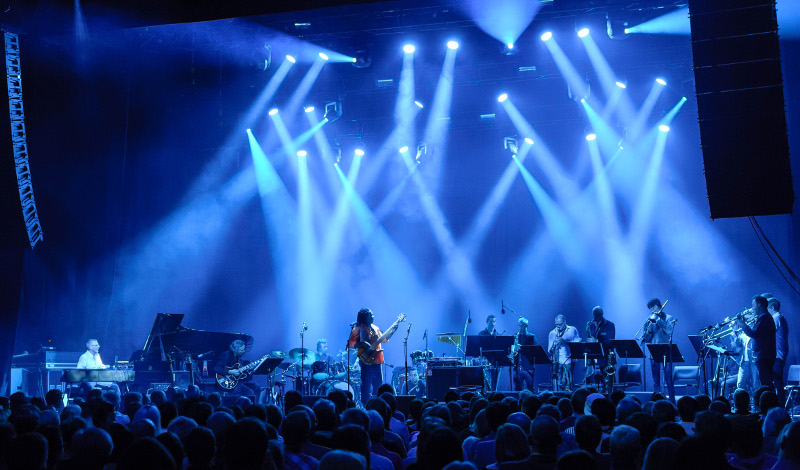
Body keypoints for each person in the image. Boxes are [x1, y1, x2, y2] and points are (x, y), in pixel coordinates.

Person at [348, 308, 400, 406]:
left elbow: (384, 339)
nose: (373, 316)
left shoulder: (375, 328)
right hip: (366, 362)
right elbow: (352, 343)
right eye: (370, 315)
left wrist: (394, 329)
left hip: (377, 361)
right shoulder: (359, 328)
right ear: (364, 317)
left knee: (378, 386)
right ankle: (366, 408)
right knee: (366, 388)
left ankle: (378, 406)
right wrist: (364, 345)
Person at [736, 294, 776, 389]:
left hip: (764, 355)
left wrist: (742, 325)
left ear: (760, 305)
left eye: (753, 305)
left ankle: (769, 402)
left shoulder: (764, 318)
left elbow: (755, 334)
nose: (752, 308)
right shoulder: (764, 317)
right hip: (764, 355)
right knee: (766, 383)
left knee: (766, 384)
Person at [643, 298, 676, 400]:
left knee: (668, 379)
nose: (652, 310)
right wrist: (649, 329)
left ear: (660, 306)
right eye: (650, 308)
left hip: (666, 350)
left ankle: (672, 402)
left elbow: (669, 331)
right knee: (656, 380)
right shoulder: (649, 319)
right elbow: (647, 339)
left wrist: (659, 321)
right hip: (653, 351)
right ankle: (658, 401)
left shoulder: (668, 317)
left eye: (654, 307)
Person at [586, 306, 616, 393]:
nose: (594, 318)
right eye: (593, 315)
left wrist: (597, 340)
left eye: (595, 315)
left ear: (601, 315)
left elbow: (610, 342)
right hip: (593, 358)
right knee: (594, 384)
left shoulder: (610, 325)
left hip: (606, 358)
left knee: (607, 384)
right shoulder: (591, 325)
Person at [548, 315, 581, 391]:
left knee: (568, 382)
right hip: (557, 361)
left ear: (565, 322)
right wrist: (554, 344)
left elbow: (577, 344)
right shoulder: (552, 333)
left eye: (560, 324)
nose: (558, 326)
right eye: (556, 324)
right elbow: (549, 349)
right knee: (558, 382)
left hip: (568, 360)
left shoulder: (572, 330)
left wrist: (565, 341)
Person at [769, 298, 789, 403]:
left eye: (767, 308)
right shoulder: (780, 317)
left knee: (777, 382)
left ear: (772, 307)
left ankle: (780, 406)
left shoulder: (776, 318)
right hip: (779, 353)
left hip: (777, 354)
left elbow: (768, 333)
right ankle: (779, 405)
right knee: (777, 381)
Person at [511, 317, 536, 392]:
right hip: (517, 366)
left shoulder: (531, 337)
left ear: (526, 326)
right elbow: (513, 348)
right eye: (518, 325)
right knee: (517, 388)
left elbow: (533, 351)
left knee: (530, 387)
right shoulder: (516, 335)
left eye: (521, 325)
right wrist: (514, 349)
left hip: (527, 366)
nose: (519, 327)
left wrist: (521, 348)